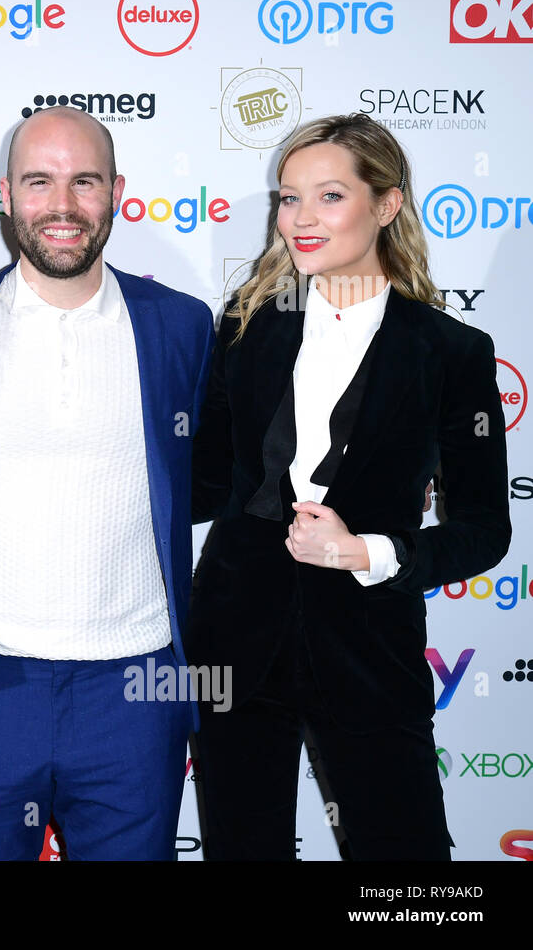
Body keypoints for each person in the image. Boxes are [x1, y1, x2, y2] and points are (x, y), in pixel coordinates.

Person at [188, 113, 511, 860]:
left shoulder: (451, 350)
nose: (300, 219)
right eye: (288, 197)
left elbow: (485, 528)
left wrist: (369, 551)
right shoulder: (245, 326)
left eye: (329, 196)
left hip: (371, 649)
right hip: (233, 641)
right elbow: (202, 484)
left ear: (387, 204)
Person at [0, 106, 216, 860]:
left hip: (136, 692)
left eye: (84, 181)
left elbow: (210, 480)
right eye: (39, 181)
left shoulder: (182, 325)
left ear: (116, 191)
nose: (63, 204)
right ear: (5, 195)